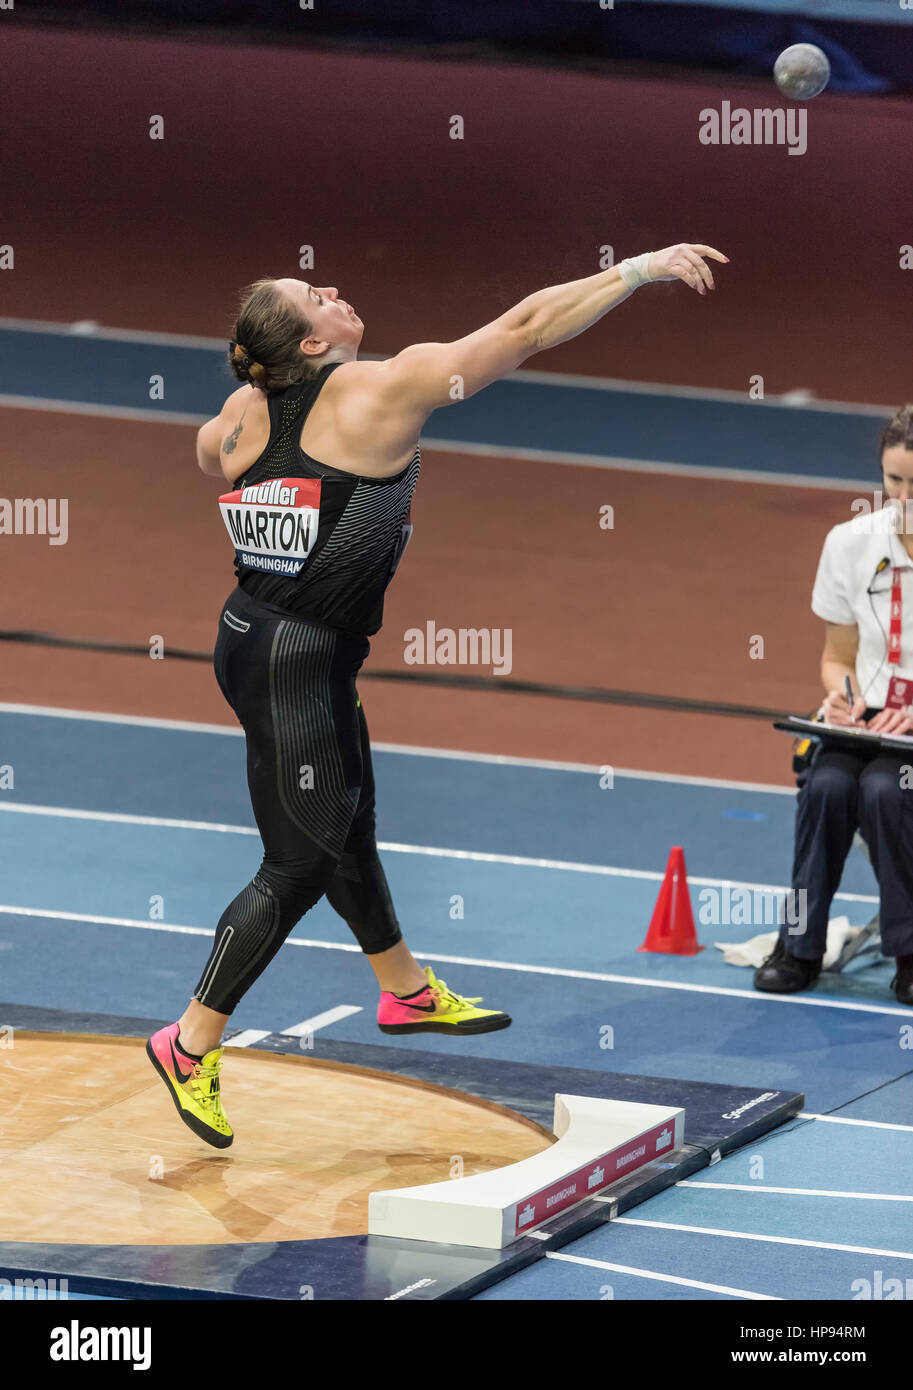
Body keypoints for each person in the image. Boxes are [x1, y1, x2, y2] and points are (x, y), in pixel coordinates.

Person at [147, 243, 728, 1147]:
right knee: (298, 864)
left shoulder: (241, 411)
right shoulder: (389, 387)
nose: (335, 289)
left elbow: (207, 459)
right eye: (318, 295)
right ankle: (190, 1043)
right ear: (307, 345)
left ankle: (405, 990)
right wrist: (638, 269)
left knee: (349, 821)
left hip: (261, 637)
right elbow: (526, 327)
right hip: (294, 658)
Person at [755, 405, 913, 1005]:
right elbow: (837, 656)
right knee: (825, 787)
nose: (903, 497)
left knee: (884, 791)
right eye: (893, 480)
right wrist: (842, 697)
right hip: (866, 726)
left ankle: (911, 952)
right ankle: (797, 946)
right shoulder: (849, 544)